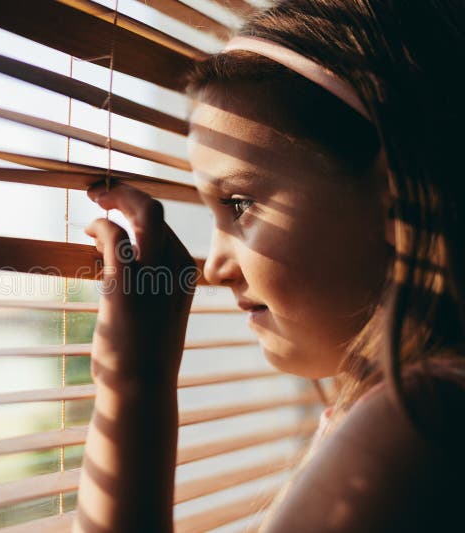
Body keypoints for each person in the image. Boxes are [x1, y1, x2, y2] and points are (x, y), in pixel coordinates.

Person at [71, 1, 465, 531]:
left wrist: (134, 382)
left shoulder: (418, 423)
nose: (213, 267)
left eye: (238, 203)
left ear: (391, 191)